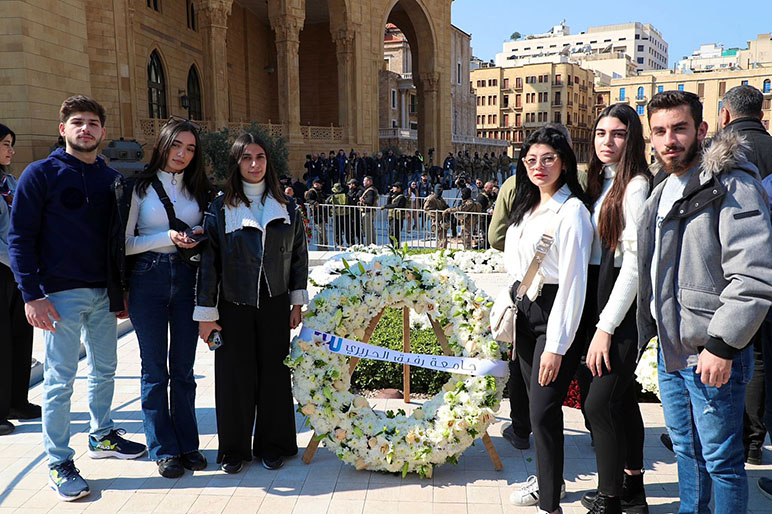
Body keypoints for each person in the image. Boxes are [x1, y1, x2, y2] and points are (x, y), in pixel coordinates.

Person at [638, 90, 772, 513]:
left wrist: (723, 344)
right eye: (659, 131)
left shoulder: (734, 183)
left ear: (701, 130)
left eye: (678, 128)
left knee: (721, 462)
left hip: (712, 352)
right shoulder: (662, 188)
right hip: (672, 351)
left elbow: (754, 274)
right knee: (686, 452)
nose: (668, 140)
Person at [9, 96, 146, 502]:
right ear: (63, 129)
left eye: (92, 123)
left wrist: (121, 291)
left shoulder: (112, 179)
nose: (85, 129)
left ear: (103, 132)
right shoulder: (40, 174)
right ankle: (58, 460)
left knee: (105, 368)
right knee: (59, 381)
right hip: (59, 295)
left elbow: (119, 241)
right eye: (77, 122)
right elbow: (20, 239)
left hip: (104, 293)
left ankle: (102, 433)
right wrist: (32, 295)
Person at [194, 133, 308, 473]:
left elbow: (298, 256)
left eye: (260, 157)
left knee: (274, 375)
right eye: (247, 158)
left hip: (274, 303)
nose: (254, 164)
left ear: (268, 162)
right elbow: (209, 263)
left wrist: (297, 302)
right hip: (233, 306)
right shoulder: (220, 207)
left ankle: (274, 445)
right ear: (237, 163)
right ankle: (233, 449)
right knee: (234, 377)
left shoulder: (287, 207)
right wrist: (206, 314)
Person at [506, 127, 593, 514]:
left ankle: (550, 505)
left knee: (542, 410)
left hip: (555, 315)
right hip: (526, 312)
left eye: (547, 159)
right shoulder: (527, 205)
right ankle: (547, 483)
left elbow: (574, 282)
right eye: (530, 160)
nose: (538, 167)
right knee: (534, 405)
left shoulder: (572, 211)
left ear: (564, 162)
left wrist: (557, 346)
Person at [119, 118, 212, 478]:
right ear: (163, 145)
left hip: (187, 280)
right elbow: (125, 245)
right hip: (148, 279)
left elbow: (207, 239)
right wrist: (168, 238)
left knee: (184, 370)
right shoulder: (138, 188)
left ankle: (188, 444)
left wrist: (198, 235)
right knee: (155, 371)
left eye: (190, 149)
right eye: (177, 146)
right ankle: (163, 449)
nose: (183, 154)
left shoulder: (198, 189)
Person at [577, 104, 651, 514]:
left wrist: (605, 327)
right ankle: (633, 492)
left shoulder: (635, 186)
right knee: (621, 402)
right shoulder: (602, 181)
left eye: (618, 133)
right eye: (601, 133)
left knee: (598, 404)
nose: (608, 141)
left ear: (633, 139)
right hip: (600, 303)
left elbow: (636, 265)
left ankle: (609, 501)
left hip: (619, 309)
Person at [718, 85, 772, 467]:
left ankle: (732, 437)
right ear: (763, 115)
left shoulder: (720, 155)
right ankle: (755, 442)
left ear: (724, 115)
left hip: (729, 271)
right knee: (762, 358)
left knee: (735, 348)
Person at [0, 123, 39, 437]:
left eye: (12, 144)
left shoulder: (10, 182)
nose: (11, 150)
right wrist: (18, 262)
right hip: (4, 269)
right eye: (5, 144)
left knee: (20, 336)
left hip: (17, 273)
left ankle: (17, 402)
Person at [424, 184, 449, 248]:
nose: (440, 191)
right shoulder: (431, 199)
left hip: (443, 220)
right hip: (436, 220)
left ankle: (443, 250)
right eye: (439, 190)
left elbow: (444, 206)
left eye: (441, 190)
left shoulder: (441, 199)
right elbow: (426, 209)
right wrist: (437, 214)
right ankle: (440, 250)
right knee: (441, 238)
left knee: (443, 238)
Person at [305, 178, 328, 247]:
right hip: (316, 213)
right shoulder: (311, 192)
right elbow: (308, 199)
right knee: (321, 229)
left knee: (321, 229)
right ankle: (324, 243)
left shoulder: (319, 191)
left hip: (321, 212)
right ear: (316, 184)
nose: (321, 185)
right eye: (320, 184)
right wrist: (314, 203)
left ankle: (321, 243)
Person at [381, 181, 407, 246]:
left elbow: (396, 205)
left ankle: (397, 247)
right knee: (390, 234)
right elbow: (388, 203)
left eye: (394, 187)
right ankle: (394, 246)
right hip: (391, 217)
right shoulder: (394, 196)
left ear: (399, 188)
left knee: (395, 234)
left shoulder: (401, 197)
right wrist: (390, 194)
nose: (393, 188)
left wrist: (385, 207)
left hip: (397, 218)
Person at [327, 182, 349, 248]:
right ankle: (349, 244)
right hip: (345, 215)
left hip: (336, 215)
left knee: (337, 231)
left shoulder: (332, 197)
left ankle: (340, 245)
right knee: (347, 230)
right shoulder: (345, 196)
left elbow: (326, 202)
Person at [359, 176, 378, 245]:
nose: (363, 182)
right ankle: (372, 243)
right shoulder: (370, 189)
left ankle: (369, 244)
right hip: (368, 212)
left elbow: (370, 201)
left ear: (369, 182)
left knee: (368, 229)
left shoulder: (370, 191)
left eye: (364, 181)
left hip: (368, 212)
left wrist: (362, 200)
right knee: (370, 228)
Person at [345, 178, 362, 245]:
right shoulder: (349, 191)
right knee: (350, 229)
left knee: (357, 229)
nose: (349, 185)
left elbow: (356, 200)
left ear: (354, 185)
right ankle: (352, 243)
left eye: (350, 184)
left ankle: (360, 243)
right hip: (350, 212)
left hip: (356, 212)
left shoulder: (359, 191)